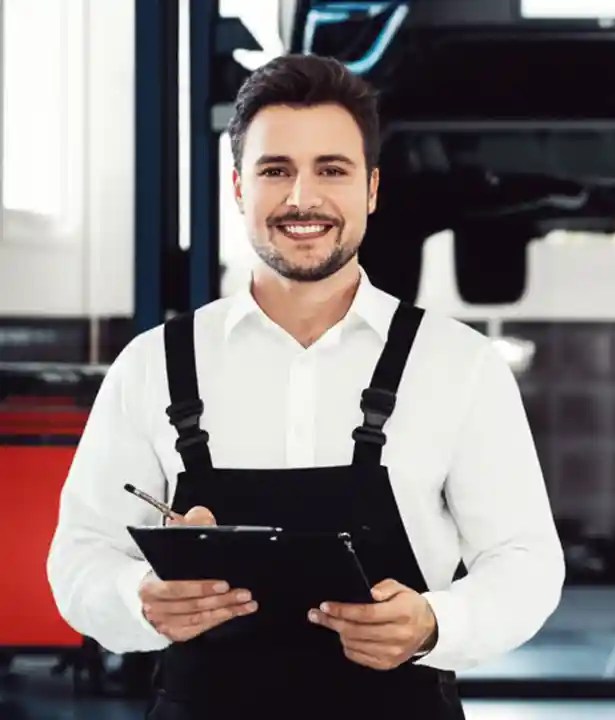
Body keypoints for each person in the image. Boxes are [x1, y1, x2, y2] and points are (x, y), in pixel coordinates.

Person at [46, 54, 565, 718]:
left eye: (331, 170)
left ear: (371, 189)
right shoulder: (153, 365)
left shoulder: (458, 365)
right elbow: (80, 557)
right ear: (237, 187)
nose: (302, 199)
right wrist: (136, 596)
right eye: (275, 170)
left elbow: (524, 562)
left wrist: (437, 623)